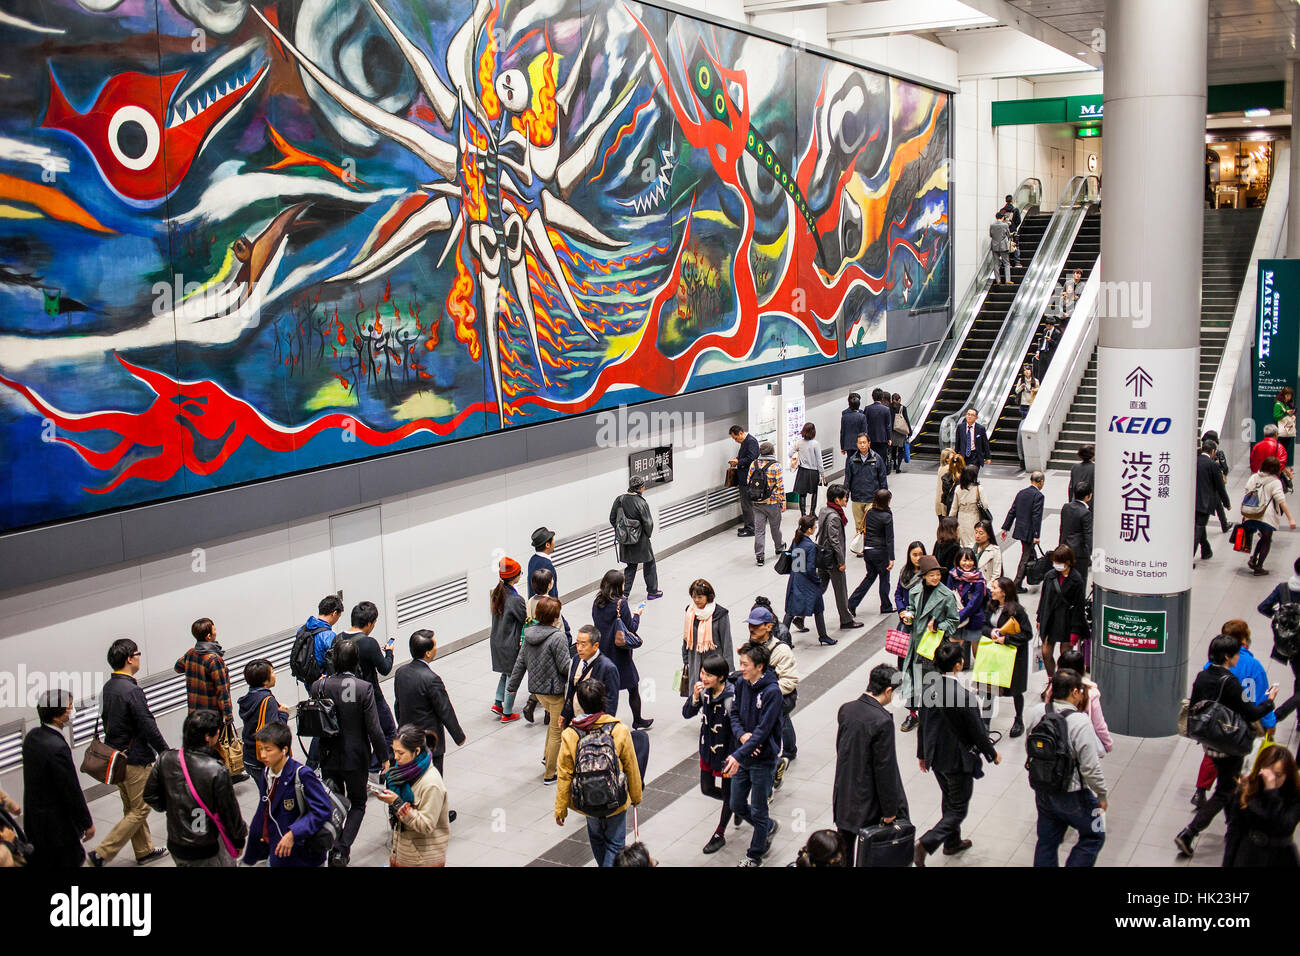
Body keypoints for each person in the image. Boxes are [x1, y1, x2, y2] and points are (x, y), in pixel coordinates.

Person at [1176, 633, 1278, 857]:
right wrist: (1270, 701)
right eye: (1235, 654)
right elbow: (1252, 712)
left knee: (1228, 785)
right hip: (1228, 744)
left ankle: (1234, 826)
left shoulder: (1202, 676)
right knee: (1225, 791)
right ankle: (1189, 832)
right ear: (1227, 657)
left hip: (1209, 740)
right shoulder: (1230, 682)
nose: (1238, 658)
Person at [913, 642, 1001, 865]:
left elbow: (923, 724)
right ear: (959, 665)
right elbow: (977, 731)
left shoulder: (928, 690)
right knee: (959, 808)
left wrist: (922, 754)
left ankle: (952, 842)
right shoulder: (964, 696)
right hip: (957, 760)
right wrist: (992, 754)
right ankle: (926, 843)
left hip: (935, 757)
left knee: (949, 798)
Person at [88, 638, 169, 867]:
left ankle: (144, 851)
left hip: (116, 759)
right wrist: (165, 752)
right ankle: (102, 853)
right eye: (137, 654)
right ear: (129, 659)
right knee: (141, 809)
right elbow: (147, 725)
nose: (139, 658)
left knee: (131, 808)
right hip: (135, 759)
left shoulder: (109, 687)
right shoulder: (131, 690)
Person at [311, 638, 390, 866]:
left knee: (334, 800)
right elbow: (374, 728)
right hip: (356, 755)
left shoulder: (319, 686)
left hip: (329, 755)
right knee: (358, 803)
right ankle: (341, 850)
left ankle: (331, 844)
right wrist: (383, 756)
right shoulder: (364, 688)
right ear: (356, 661)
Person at [1023, 668, 1109, 867]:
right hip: (1074, 794)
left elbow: (1030, 746)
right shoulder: (1080, 721)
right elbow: (1090, 767)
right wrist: (1101, 794)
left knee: (1047, 841)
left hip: (1043, 790)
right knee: (1094, 835)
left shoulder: (1037, 712)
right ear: (1075, 692)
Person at [554, 679, 644, 867]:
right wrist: (636, 796)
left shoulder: (571, 734)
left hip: (588, 802)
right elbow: (631, 766)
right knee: (616, 844)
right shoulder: (619, 729)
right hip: (616, 800)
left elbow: (564, 774)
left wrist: (561, 809)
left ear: (580, 703)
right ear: (604, 700)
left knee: (597, 840)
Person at [143, 709, 248, 868]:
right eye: (216, 732)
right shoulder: (216, 769)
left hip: (176, 842)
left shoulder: (165, 759)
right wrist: (238, 839)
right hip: (206, 846)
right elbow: (229, 811)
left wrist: (173, 806)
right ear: (207, 737)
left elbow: (150, 796)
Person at [1190, 620, 1273, 808]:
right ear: (1244, 639)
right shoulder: (1253, 665)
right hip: (1239, 723)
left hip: (1214, 721)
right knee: (1238, 762)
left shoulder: (1210, 667)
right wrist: (1269, 718)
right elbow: (1258, 696)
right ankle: (1235, 797)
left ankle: (1201, 790)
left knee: (1211, 755)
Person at [833, 664, 906, 866]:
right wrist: (890, 810)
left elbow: (841, 749)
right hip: (868, 799)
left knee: (844, 849)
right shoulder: (882, 721)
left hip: (844, 793)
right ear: (888, 690)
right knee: (870, 851)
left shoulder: (846, 709)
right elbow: (885, 769)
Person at [724, 641, 784, 866]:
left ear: (760, 667)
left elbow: (764, 730)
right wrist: (742, 737)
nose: (741, 668)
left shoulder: (772, 692)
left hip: (763, 760)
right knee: (736, 803)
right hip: (744, 753)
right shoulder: (741, 683)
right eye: (740, 663)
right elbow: (734, 714)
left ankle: (755, 854)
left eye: (745, 664)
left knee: (759, 810)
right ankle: (768, 826)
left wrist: (739, 754)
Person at [243, 722, 333, 868]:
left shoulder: (302, 775)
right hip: (278, 851)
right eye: (260, 749)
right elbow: (262, 813)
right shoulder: (266, 774)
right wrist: (249, 857)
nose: (263, 755)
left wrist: (293, 833)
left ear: (284, 750)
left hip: (305, 855)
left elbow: (322, 810)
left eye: (268, 750)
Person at [21, 689, 94, 868]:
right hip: (58, 828)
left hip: (35, 822)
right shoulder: (57, 748)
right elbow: (71, 789)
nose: (72, 710)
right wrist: (86, 823)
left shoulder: (32, 737)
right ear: (57, 716)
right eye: (70, 707)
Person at [508, 595, 572, 782]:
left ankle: (547, 757)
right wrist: (578, 667)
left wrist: (512, 687)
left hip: (537, 691)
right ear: (555, 617)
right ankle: (550, 774)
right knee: (557, 732)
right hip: (554, 692)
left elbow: (520, 663)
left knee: (552, 727)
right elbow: (564, 667)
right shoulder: (557, 637)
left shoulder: (529, 634)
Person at [394, 628, 466, 792]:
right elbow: (445, 710)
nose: (436, 648)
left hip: (407, 737)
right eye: (434, 645)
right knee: (433, 783)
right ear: (427, 653)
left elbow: (398, 704)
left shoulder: (400, 673)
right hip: (429, 741)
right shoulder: (432, 679)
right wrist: (459, 736)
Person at [683, 651, 737, 854]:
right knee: (706, 788)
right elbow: (686, 713)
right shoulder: (705, 692)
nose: (703, 678)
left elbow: (737, 728)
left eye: (708, 675)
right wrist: (695, 697)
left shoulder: (731, 698)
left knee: (728, 792)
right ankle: (736, 806)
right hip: (708, 749)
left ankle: (719, 833)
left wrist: (735, 755)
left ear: (721, 677)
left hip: (727, 753)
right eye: (702, 673)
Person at [900, 555, 960, 737]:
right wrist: (908, 615)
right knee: (912, 677)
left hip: (933, 646)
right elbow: (911, 607)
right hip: (915, 643)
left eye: (938, 574)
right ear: (924, 576)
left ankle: (933, 717)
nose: (936, 578)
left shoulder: (946, 595)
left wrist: (939, 626)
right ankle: (913, 714)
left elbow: (954, 620)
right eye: (932, 575)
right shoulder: (915, 591)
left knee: (930, 681)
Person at [375, 725, 450, 867]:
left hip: (423, 860)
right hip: (404, 854)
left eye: (400, 753)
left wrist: (397, 803)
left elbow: (426, 825)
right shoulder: (403, 773)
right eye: (394, 751)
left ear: (416, 751)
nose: (395, 757)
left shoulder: (431, 784)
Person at [745, 603, 800, 785]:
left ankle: (773, 769)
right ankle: (783, 757)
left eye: (756, 625)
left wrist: (767, 693)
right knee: (779, 725)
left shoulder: (781, 650)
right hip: (757, 701)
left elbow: (790, 680)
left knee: (771, 732)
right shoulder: (751, 646)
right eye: (750, 625)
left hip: (775, 701)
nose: (751, 628)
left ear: (769, 627)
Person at [339, 600, 396, 768]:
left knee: (359, 734)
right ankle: (375, 767)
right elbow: (385, 669)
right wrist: (389, 653)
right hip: (371, 696)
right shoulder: (368, 643)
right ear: (370, 623)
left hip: (346, 695)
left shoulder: (337, 639)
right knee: (388, 732)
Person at [1223, 744, 1300, 867]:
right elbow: (1234, 832)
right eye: (1269, 774)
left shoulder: (1294, 796)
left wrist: (1272, 791)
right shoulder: (1246, 791)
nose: (1272, 779)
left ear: (1287, 775)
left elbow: (1285, 826)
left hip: (1281, 857)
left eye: (1278, 775)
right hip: (1248, 855)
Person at [593, 569, 652, 730]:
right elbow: (631, 628)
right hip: (620, 653)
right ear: (619, 586)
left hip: (603, 651)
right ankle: (637, 719)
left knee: (606, 690)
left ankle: (603, 720)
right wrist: (637, 614)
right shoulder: (621, 604)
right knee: (633, 686)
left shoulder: (597, 602)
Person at [982, 577, 1034, 737]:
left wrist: (1007, 639)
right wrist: (990, 632)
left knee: (1015, 690)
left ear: (1004, 592)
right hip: (994, 654)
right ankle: (985, 722)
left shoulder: (1018, 611)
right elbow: (983, 625)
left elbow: (1027, 634)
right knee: (989, 688)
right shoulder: (991, 606)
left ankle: (1019, 719)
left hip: (1013, 656)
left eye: (995, 587)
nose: (991, 589)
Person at [237, 658, 289, 795]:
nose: (274, 675)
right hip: (263, 760)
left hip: (249, 757)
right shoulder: (268, 700)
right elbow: (275, 732)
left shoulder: (248, 698)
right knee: (275, 797)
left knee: (265, 795)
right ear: (265, 681)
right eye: (272, 672)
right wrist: (283, 714)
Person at [173, 617, 234, 730]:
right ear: (208, 636)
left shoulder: (191, 653)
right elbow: (222, 690)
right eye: (214, 630)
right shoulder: (214, 660)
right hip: (211, 716)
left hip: (194, 714)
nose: (216, 632)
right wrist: (228, 715)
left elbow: (177, 668)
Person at [784, 514, 836, 645]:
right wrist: (817, 581)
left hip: (795, 579)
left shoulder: (796, 541)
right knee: (818, 608)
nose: (815, 528)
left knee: (791, 610)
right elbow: (810, 568)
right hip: (807, 582)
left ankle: (782, 638)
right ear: (809, 529)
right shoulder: (810, 546)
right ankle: (823, 636)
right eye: (814, 526)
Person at [1049, 648, 1114, 753]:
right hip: (1079, 742)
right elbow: (1099, 725)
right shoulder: (1090, 693)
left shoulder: (1053, 689)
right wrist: (1108, 744)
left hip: (1055, 740)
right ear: (1083, 668)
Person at [1037, 545, 1087, 679]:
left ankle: (1062, 681)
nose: (1056, 564)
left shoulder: (1077, 579)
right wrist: (1039, 617)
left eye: (1059, 561)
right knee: (1046, 652)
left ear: (1068, 562)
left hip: (1067, 621)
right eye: (1054, 561)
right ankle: (1051, 679)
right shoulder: (1050, 576)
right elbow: (1044, 598)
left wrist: (1075, 631)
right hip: (1050, 619)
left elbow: (1079, 607)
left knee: (1065, 656)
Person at [817, 484, 862, 630]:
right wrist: (841, 561)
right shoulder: (835, 517)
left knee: (819, 587)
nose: (846, 500)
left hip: (822, 557)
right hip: (833, 559)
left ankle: (800, 615)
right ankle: (846, 620)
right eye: (844, 497)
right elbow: (834, 541)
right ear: (837, 499)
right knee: (841, 590)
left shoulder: (824, 510)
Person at [1241, 456, 1296, 575]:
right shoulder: (1275, 482)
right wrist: (1291, 519)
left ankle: (1254, 558)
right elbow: (1281, 501)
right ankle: (1259, 567)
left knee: (1264, 538)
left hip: (1251, 512)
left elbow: (1247, 492)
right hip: (1265, 516)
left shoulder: (1254, 477)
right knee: (1267, 539)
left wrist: (1245, 513)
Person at [489, 556, 528, 721]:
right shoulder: (516, 600)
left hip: (497, 641)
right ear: (514, 577)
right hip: (510, 644)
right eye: (520, 573)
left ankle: (498, 703)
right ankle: (507, 712)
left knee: (506, 673)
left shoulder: (497, 593)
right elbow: (524, 619)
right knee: (513, 677)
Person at [846, 488, 895, 618]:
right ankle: (886, 606)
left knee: (870, 577)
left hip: (868, 550)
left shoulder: (869, 512)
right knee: (884, 579)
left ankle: (852, 602)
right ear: (887, 501)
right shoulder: (887, 517)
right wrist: (891, 557)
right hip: (881, 551)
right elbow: (889, 538)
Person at [682, 579, 734, 700]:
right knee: (696, 694)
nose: (696, 600)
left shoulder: (720, 614)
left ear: (708, 597)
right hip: (695, 661)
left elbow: (726, 642)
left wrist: (729, 669)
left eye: (700, 597)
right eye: (694, 597)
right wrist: (685, 659)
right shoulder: (690, 612)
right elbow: (686, 637)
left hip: (714, 662)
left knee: (714, 695)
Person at [611, 475, 662, 597]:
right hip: (641, 540)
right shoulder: (641, 502)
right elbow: (648, 523)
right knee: (649, 563)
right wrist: (647, 535)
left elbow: (612, 518)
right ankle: (652, 592)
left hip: (625, 540)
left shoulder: (620, 499)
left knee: (630, 566)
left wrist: (623, 532)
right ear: (641, 488)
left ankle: (624, 594)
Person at [561, 624, 621, 724]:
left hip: (594, 723)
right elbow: (571, 689)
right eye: (577, 643)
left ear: (595, 646)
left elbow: (611, 702)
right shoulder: (576, 659)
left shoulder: (608, 668)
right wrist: (564, 713)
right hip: (575, 720)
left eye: (583, 644)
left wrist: (603, 726)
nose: (579, 648)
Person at [1001, 470, 1045, 589]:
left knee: (1030, 554)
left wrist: (1005, 528)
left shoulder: (1021, 493)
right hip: (1029, 532)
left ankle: (1031, 577)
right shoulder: (1039, 496)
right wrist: (1036, 535)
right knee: (1025, 557)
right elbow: (1036, 516)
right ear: (1041, 482)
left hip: (1020, 529)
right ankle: (1016, 584)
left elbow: (1012, 511)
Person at [747, 440, 787, 566]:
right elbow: (780, 486)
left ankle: (760, 557)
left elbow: (749, 482)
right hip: (772, 503)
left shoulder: (754, 464)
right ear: (772, 452)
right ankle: (779, 547)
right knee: (775, 527)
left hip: (757, 502)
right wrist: (783, 501)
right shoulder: (776, 466)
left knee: (759, 530)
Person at [949, 548, 987, 669]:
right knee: (953, 655)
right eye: (964, 560)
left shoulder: (979, 579)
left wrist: (959, 617)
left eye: (970, 560)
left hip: (973, 619)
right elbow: (948, 594)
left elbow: (974, 604)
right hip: (957, 620)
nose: (967, 563)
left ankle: (982, 678)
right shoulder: (953, 575)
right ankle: (952, 677)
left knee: (978, 655)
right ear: (958, 561)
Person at [1195, 438, 1231, 562]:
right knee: (1198, 529)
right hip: (1204, 503)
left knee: (1199, 527)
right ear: (1213, 451)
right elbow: (1220, 487)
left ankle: (1206, 551)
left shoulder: (1194, 461)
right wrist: (1227, 503)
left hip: (1192, 502)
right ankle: (1188, 559)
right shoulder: (1213, 465)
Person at [846, 432, 889, 532]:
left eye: (864, 442)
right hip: (857, 499)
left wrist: (884, 499)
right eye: (860, 443)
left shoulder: (877, 459)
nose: (862, 445)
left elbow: (882, 479)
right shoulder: (852, 460)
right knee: (859, 526)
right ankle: (860, 542)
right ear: (857, 444)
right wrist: (845, 496)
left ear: (869, 443)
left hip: (872, 499)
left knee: (871, 526)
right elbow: (848, 479)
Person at [1060, 481, 1094, 586]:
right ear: (1088, 496)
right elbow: (1088, 535)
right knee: (1080, 580)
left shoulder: (1066, 507)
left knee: (1066, 578)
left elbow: (1062, 528)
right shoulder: (1085, 513)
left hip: (1065, 548)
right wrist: (1090, 553)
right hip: (1079, 553)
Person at [729, 424, 761, 537]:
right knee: (745, 504)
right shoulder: (745, 442)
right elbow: (743, 456)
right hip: (743, 477)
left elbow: (752, 458)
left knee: (747, 504)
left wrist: (738, 462)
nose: (736, 441)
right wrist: (737, 459)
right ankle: (748, 525)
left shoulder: (751, 441)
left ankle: (751, 528)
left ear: (741, 433)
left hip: (748, 477)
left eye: (736, 438)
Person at [948, 463, 987, 548]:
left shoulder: (958, 488)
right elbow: (985, 505)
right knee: (974, 540)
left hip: (961, 518)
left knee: (963, 542)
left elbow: (954, 508)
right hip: (974, 517)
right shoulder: (979, 489)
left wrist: (949, 522)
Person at [792, 421, 826, 515]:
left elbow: (790, 453)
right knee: (815, 492)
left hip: (802, 470)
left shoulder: (799, 443)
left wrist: (799, 457)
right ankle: (812, 512)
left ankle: (803, 514)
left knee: (802, 493)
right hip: (813, 471)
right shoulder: (815, 444)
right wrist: (822, 472)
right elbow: (819, 459)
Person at [528, 526, 559, 597]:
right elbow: (552, 592)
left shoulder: (532, 560)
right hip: (546, 603)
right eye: (553, 541)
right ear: (547, 545)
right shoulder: (547, 565)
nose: (554, 543)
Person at [865, 387, 894, 466]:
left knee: (870, 459)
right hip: (882, 438)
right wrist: (889, 438)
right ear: (882, 397)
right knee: (881, 459)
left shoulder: (867, 409)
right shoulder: (886, 409)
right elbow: (888, 425)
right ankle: (881, 472)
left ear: (872, 397)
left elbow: (865, 424)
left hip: (870, 438)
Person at [838, 393, 868, 465]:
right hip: (859, 443)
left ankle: (848, 471)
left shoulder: (844, 417)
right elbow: (864, 432)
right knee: (859, 462)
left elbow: (842, 432)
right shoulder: (862, 416)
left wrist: (842, 446)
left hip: (848, 443)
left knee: (849, 460)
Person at [958, 408, 991, 473]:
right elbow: (958, 442)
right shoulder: (960, 427)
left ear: (976, 417)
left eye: (972, 415)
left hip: (975, 456)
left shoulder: (980, 428)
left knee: (973, 475)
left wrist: (988, 457)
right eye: (968, 414)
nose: (969, 416)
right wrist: (955, 454)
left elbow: (985, 443)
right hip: (963, 456)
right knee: (963, 475)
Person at [973, 520, 1002, 586]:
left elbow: (996, 574)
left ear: (989, 535)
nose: (977, 536)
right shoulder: (970, 547)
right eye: (976, 532)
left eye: (981, 533)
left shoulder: (995, 550)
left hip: (986, 586)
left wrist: (987, 588)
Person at [890, 393, 911, 473]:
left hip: (892, 431)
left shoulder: (888, 407)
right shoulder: (902, 408)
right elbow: (906, 419)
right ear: (899, 400)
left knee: (893, 448)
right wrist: (909, 430)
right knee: (901, 449)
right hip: (901, 431)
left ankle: (894, 464)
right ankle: (898, 467)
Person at [1275, 385, 1296, 462]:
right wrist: (1286, 413)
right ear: (1283, 395)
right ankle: (1279, 467)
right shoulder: (1278, 404)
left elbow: (1288, 415)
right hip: (1282, 431)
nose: (1288, 397)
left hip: (1287, 431)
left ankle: (1281, 466)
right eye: (1287, 395)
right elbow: (1276, 417)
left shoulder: (1287, 404)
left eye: (1290, 396)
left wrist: (1292, 415)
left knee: (1284, 450)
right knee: (1280, 450)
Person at [989, 209, 1012, 284]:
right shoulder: (1005, 225)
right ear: (1002, 217)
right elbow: (1008, 234)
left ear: (996, 217)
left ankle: (998, 280)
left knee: (996, 263)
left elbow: (991, 235)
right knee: (1006, 263)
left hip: (994, 246)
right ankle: (1007, 280)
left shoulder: (992, 225)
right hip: (1003, 246)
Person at [999, 194, 1023, 262]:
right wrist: (1013, 226)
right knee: (1015, 245)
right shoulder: (1015, 210)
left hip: (1004, 231)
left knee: (1004, 246)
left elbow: (1000, 220)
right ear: (1012, 201)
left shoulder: (1002, 210)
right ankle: (1017, 262)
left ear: (1006, 200)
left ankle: (1005, 262)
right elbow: (1018, 221)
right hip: (1012, 230)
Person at [934, 448, 957, 518]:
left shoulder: (941, 467)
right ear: (946, 459)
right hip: (945, 500)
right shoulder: (948, 468)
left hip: (940, 499)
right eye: (952, 456)